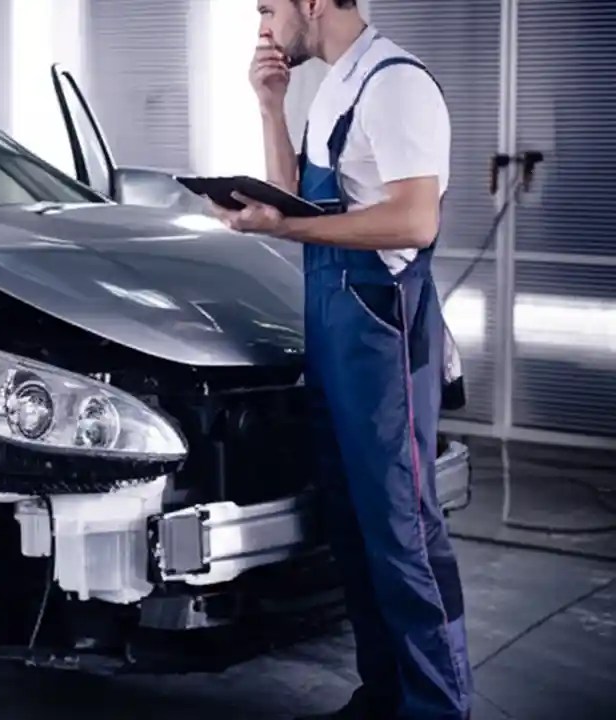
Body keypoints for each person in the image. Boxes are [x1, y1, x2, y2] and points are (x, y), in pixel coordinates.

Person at [211, 2, 473, 719]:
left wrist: (285, 225)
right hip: (333, 330)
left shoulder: (395, 84)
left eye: (269, 8)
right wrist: (271, 105)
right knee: (353, 526)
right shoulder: (336, 85)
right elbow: (298, 199)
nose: (263, 24)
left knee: (402, 528)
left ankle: (438, 707)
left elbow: (415, 219)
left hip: (382, 333)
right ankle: (383, 697)